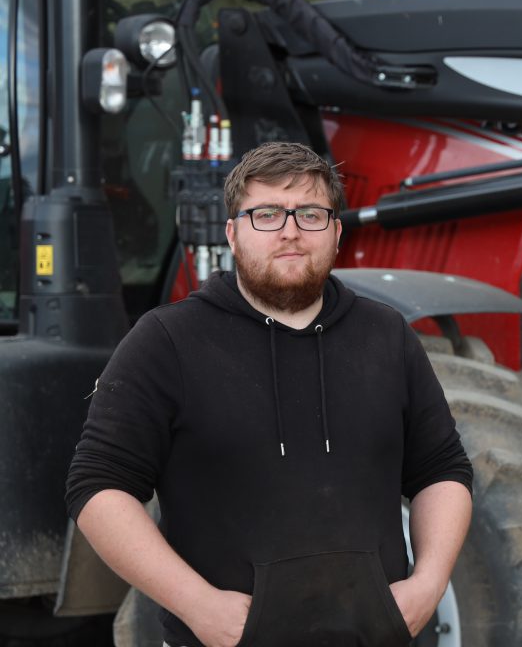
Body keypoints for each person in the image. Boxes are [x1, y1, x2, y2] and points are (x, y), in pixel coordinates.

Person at [65, 142, 473, 647]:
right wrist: (198, 605)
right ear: (233, 234)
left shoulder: (387, 336)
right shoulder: (167, 342)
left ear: (337, 231)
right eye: (266, 214)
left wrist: (428, 586)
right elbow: (98, 488)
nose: (290, 230)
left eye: (310, 213)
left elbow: (442, 470)